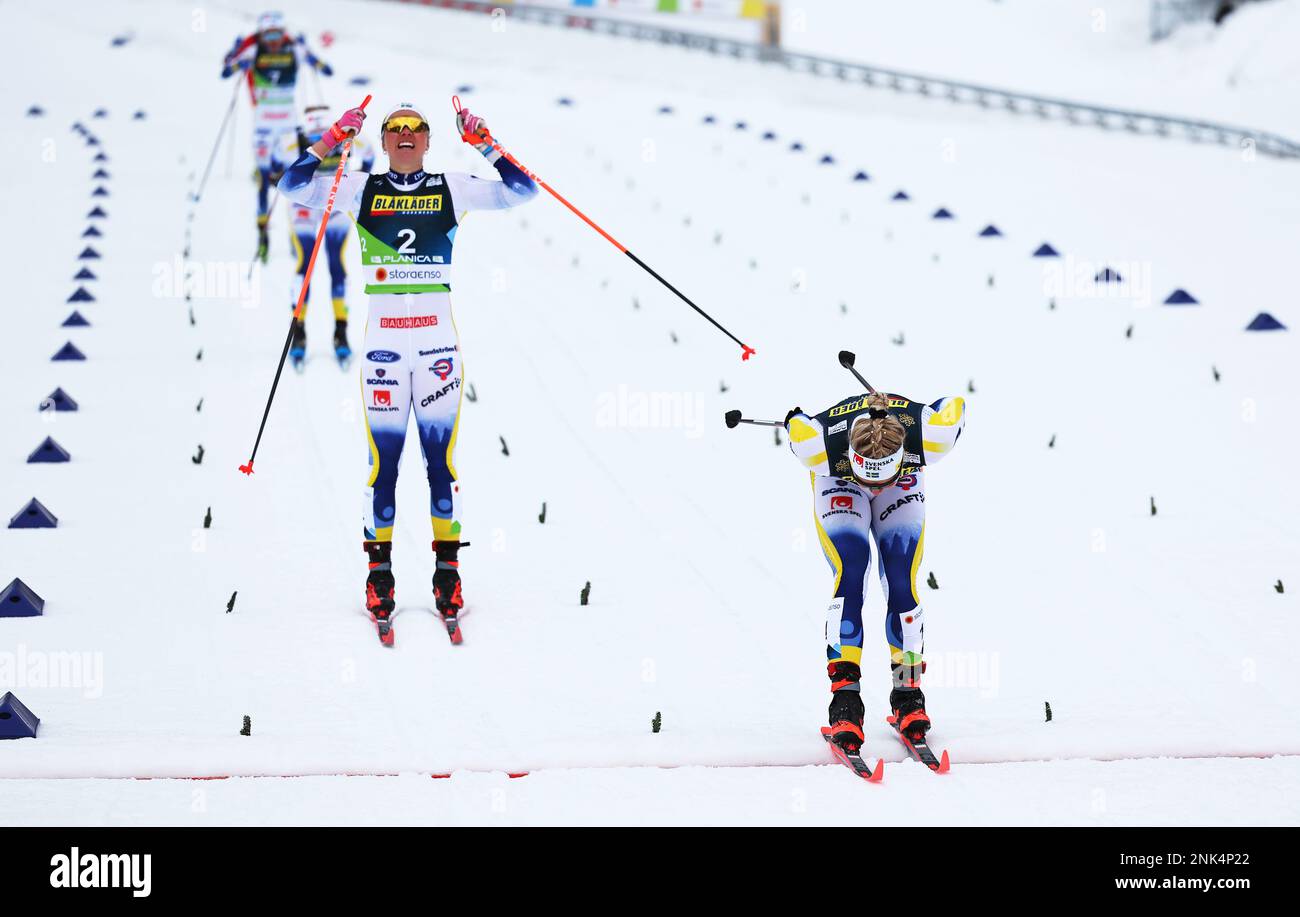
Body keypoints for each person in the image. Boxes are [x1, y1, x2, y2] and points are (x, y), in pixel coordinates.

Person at [277, 100, 538, 641]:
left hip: (437, 346)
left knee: (440, 464)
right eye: (394, 128)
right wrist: (332, 137)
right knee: (385, 465)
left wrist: (484, 142)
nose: (404, 134)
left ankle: (448, 577)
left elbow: (522, 190)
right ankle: (380, 579)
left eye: (415, 128)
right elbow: (291, 185)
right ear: (383, 140)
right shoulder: (359, 187)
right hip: (384, 350)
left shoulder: (452, 187)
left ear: (427, 140)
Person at [783, 390, 965, 753]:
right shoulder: (817, 446)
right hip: (838, 480)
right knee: (851, 572)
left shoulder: (931, 437)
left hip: (903, 481)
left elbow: (953, 406)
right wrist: (795, 419)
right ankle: (845, 701)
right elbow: (798, 427)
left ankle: (908, 696)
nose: (875, 488)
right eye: (869, 479)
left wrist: (926, 410)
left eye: (881, 480)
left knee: (901, 580)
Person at [222, 11, 332, 262]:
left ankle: (296, 233)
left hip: (287, 130)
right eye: (268, 36)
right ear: (261, 36)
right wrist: (236, 57)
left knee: (294, 181)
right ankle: (262, 236)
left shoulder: (294, 51)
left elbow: (327, 70)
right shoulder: (254, 52)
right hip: (263, 129)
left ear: (283, 34)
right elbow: (226, 73)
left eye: (277, 35)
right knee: (262, 180)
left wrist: (308, 52)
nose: (272, 41)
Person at [276, 105, 374, 368]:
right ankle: (299, 332)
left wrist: (357, 181)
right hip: (305, 204)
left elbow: (369, 154)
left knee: (335, 264)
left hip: (335, 198)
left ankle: (340, 332)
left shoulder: (352, 135)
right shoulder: (291, 140)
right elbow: (278, 167)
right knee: (306, 263)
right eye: (312, 137)